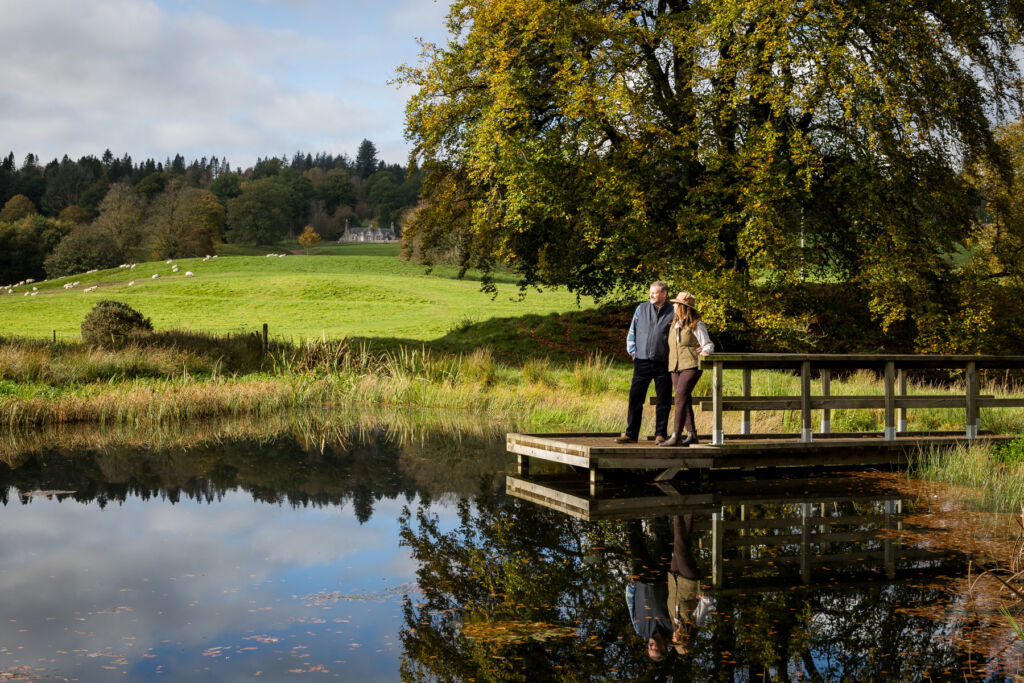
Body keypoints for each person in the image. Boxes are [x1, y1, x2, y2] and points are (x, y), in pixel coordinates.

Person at [616, 281, 674, 444]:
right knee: (635, 398)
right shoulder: (641, 309)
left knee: (663, 400)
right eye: (651, 292)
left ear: (664, 294)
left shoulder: (673, 311)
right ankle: (631, 434)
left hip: (663, 362)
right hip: (641, 361)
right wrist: (634, 352)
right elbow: (632, 332)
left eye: (655, 293)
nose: (651, 295)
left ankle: (660, 434)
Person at [659, 292, 714, 447]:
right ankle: (692, 435)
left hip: (691, 365)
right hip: (675, 366)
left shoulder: (697, 324)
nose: (674, 306)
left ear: (683, 307)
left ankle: (676, 436)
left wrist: (705, 351)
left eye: (676, 304)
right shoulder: (674, 325)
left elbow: (708, 344)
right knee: (684, 399)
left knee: (679, 398)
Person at [624, 517, 673, 661]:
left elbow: (631, 605)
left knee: (635, 542)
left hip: (642, 579)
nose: (650, 647)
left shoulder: (640, 630)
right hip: (662, 577)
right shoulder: (672, 628)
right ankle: (660, 507)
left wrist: (632, 585)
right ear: (663, 648)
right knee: (663, 539)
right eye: (655, 650)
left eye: (649, 649)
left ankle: (633, 510)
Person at [667, 514, 711, 655]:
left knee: (683, 544)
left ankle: (688, 514)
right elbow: (708, 601)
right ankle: (676, 512)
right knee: (680, 546)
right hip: (689, 580)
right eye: (675, 641)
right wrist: (701, 594)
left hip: (674, 579)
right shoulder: (695, 622)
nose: (672, 638)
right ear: (682, 639)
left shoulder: (674, 622)